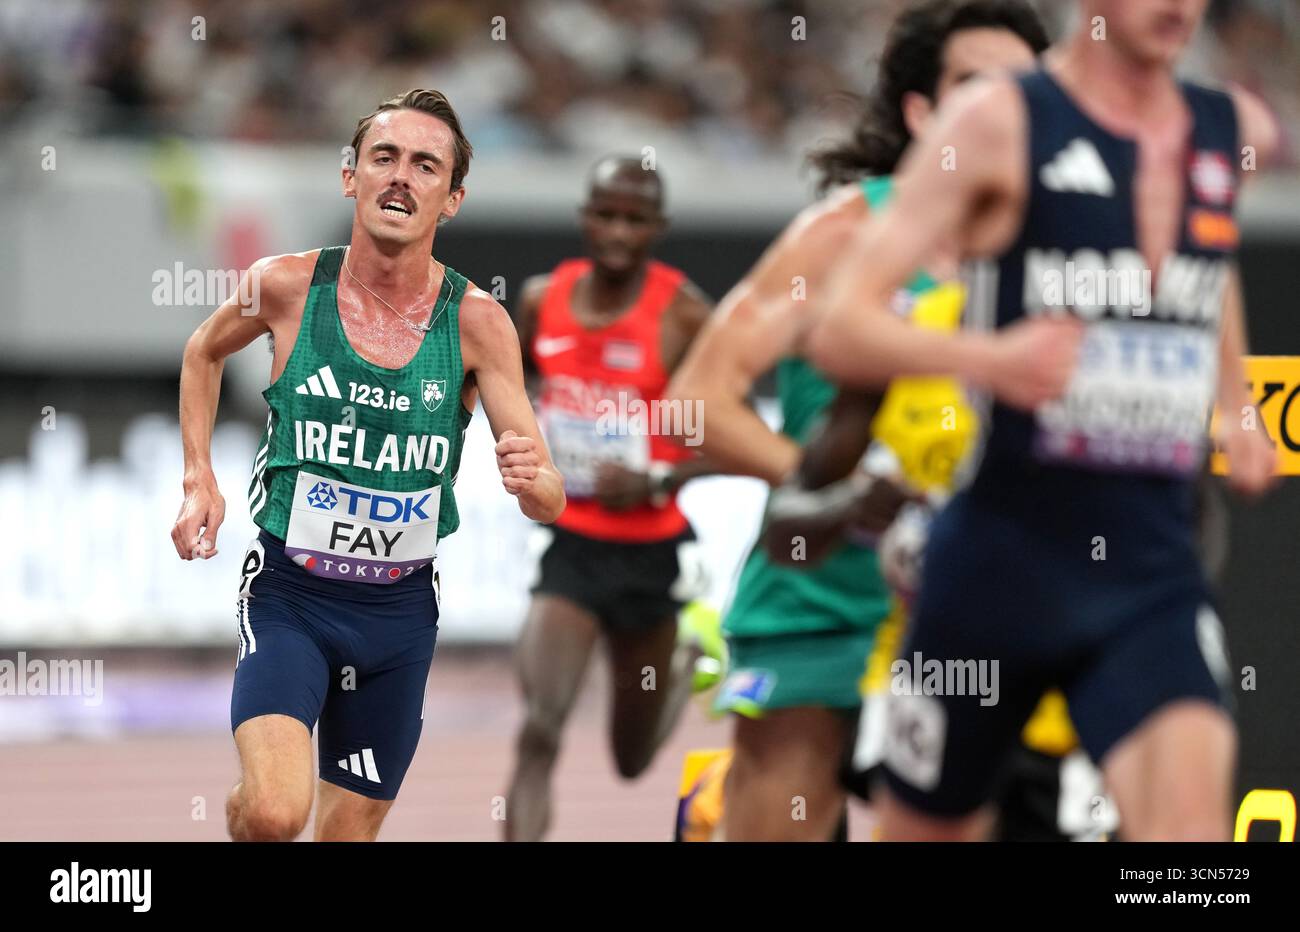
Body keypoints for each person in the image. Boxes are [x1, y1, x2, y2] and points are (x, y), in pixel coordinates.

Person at [805, 0, 1279, 841]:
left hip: (1148, 573)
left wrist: (1237, 403)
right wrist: (990, 360)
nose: (1179, 7)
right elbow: (839, 325)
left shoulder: (1232, 129)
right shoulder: (996, 121)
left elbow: (1209, 261)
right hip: (995, 570)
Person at [666, 0, 1051, 841]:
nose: (1003, 112)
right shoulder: (842, 235)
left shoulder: (1054, 245)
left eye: (1024, 92)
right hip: (822, 603)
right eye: (978, 88)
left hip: (978, 612)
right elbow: (693, 407)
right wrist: (832, 485)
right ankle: (714, 811)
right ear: (921, 111)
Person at [172, 88, 564, 841]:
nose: (400, 178)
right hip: (291, 599)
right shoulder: (287, 286)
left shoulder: (479, 323)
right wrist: (199, 477)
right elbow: (202, 352)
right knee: (280, 814)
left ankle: (251, 810)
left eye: (425, 166)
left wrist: (532, 478)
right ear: (350, 176)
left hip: (399, 616)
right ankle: (253, 809)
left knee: (343, 836)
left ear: (451, 199)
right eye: (384, 157)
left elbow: (546, 496)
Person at [504, 156, 715, 841]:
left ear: (659, 227)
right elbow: (515, 386)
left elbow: (724, 433)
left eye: (635, 218)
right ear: (584, 216)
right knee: (539, 727)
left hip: (651, 554)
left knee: (630, 760)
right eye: (607, 214)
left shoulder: (684, 315)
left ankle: (684, 659)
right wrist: (531, 434)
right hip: (573, 545)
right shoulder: (541, 300)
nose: (619, 231)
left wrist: (655, 476)